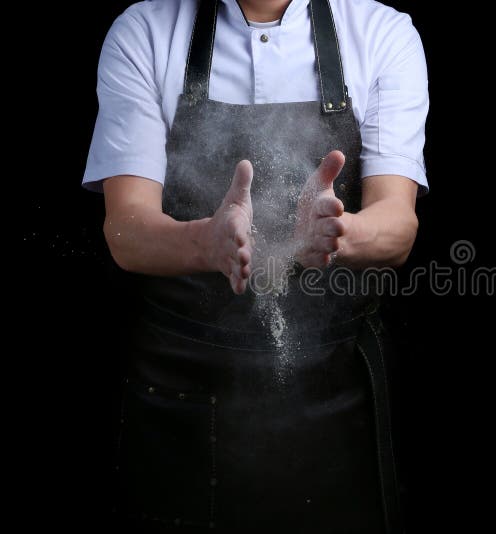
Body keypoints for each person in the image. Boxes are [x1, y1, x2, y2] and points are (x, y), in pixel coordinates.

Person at [82, 0, 428, 532]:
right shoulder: (145, 31)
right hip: (181, 395)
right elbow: (125, 231)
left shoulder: (381, 32)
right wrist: (205, 243)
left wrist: (339, 233)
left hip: (335, 399)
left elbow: (398, 226)